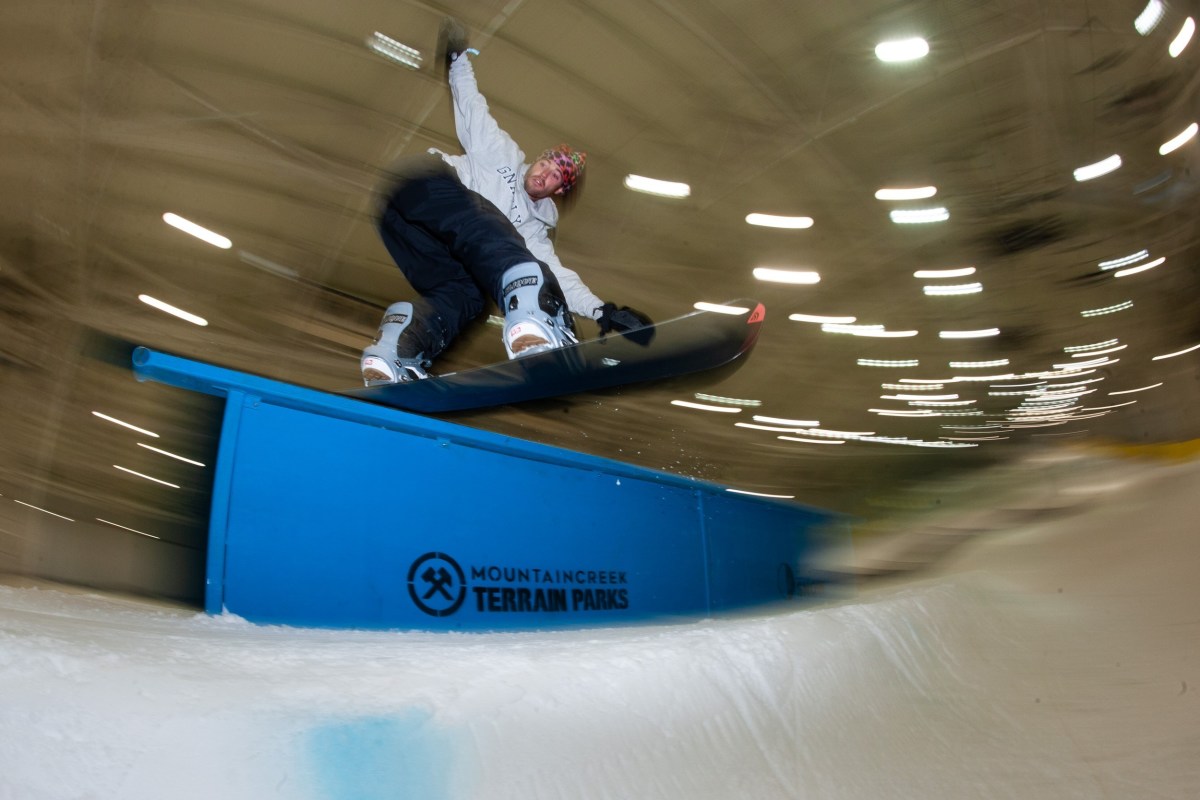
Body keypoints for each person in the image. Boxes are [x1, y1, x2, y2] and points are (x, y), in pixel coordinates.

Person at [361, 21, 653, 385]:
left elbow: (561, 277)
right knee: (491, 229)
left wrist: (602, 311)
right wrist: (458, 59)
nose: (544, 174)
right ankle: (532, 317)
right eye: (545, 164)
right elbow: (471, 105)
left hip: (407, 231)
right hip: (422, 188)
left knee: (467, 296)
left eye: (554, 177)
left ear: (558, 191)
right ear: (536, 160)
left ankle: (396, 348)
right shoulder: (500, 153)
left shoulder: (534, 233)